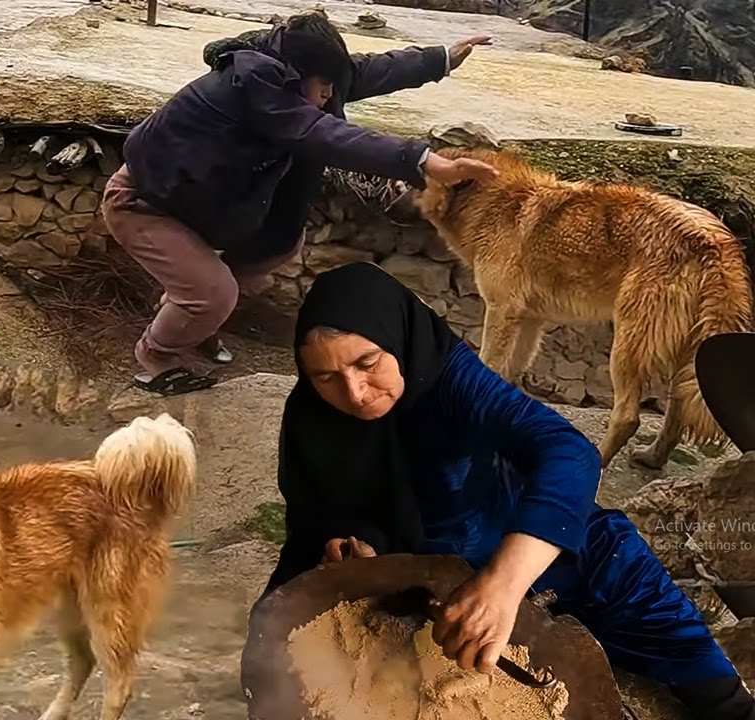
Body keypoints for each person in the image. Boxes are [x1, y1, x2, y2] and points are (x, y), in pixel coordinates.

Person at [260, 261, 754, 719]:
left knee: (701, 674)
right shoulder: (312, 423)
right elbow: (321, 518)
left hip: (540, 549)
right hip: (426, 586)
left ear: (398, 338)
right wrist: (354, 544)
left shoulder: (451, 377)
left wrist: (503, 585)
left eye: (368, 362)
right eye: (326, 377)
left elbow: (568, 452)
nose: (354, 392)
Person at [101, 11, 498, 396]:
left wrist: (441, 59)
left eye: (332, 85)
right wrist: (424, 160)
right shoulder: (254, 86)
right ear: (296, 74)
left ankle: (192, 320)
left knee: (276, 246)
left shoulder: (311, 74)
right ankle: (155, 359)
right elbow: (323, 134)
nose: (328, 97)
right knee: (213, 293)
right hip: (147, 201)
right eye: (322, 85)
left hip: (203, 204)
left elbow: (375, 70)